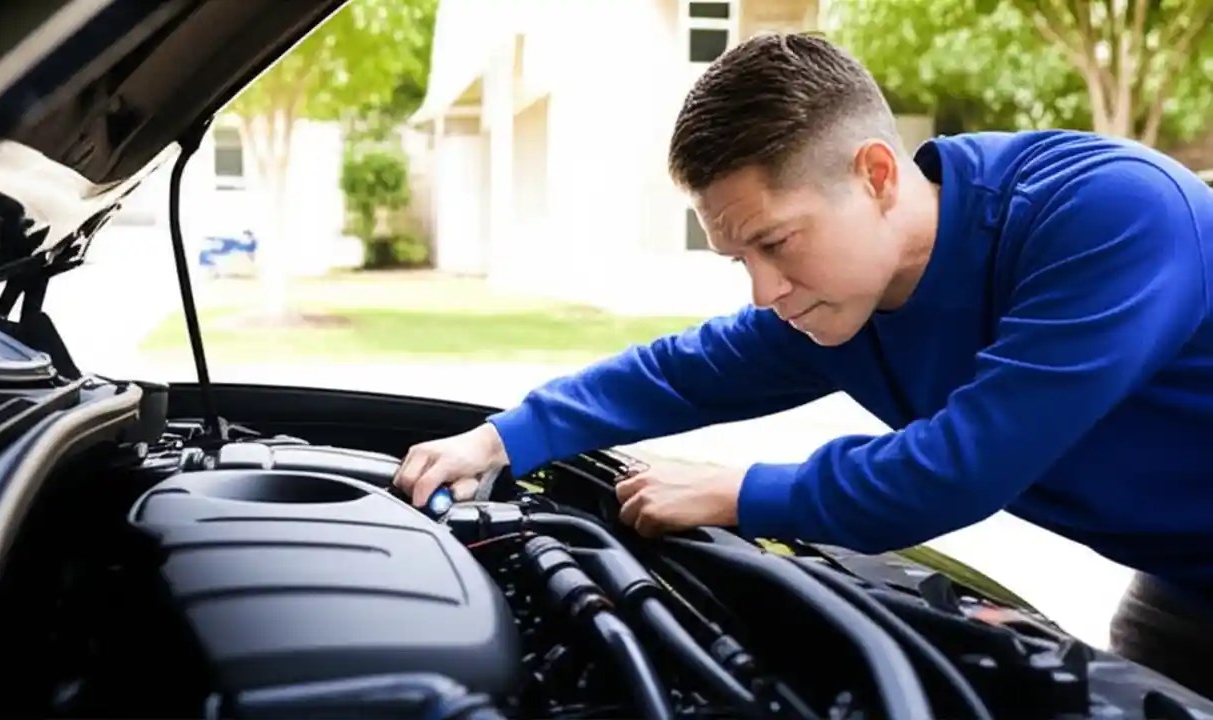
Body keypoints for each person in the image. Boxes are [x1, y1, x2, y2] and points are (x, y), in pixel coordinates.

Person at [394, 33, 1213, 694]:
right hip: (1181, 586)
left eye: (775, 243)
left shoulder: (1110, 218)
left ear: (876, 175)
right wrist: (500, 441)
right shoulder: (845, 294)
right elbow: (686, 369)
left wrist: (738, 492)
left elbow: (958, 467)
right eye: (737, 257)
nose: (761, 290)